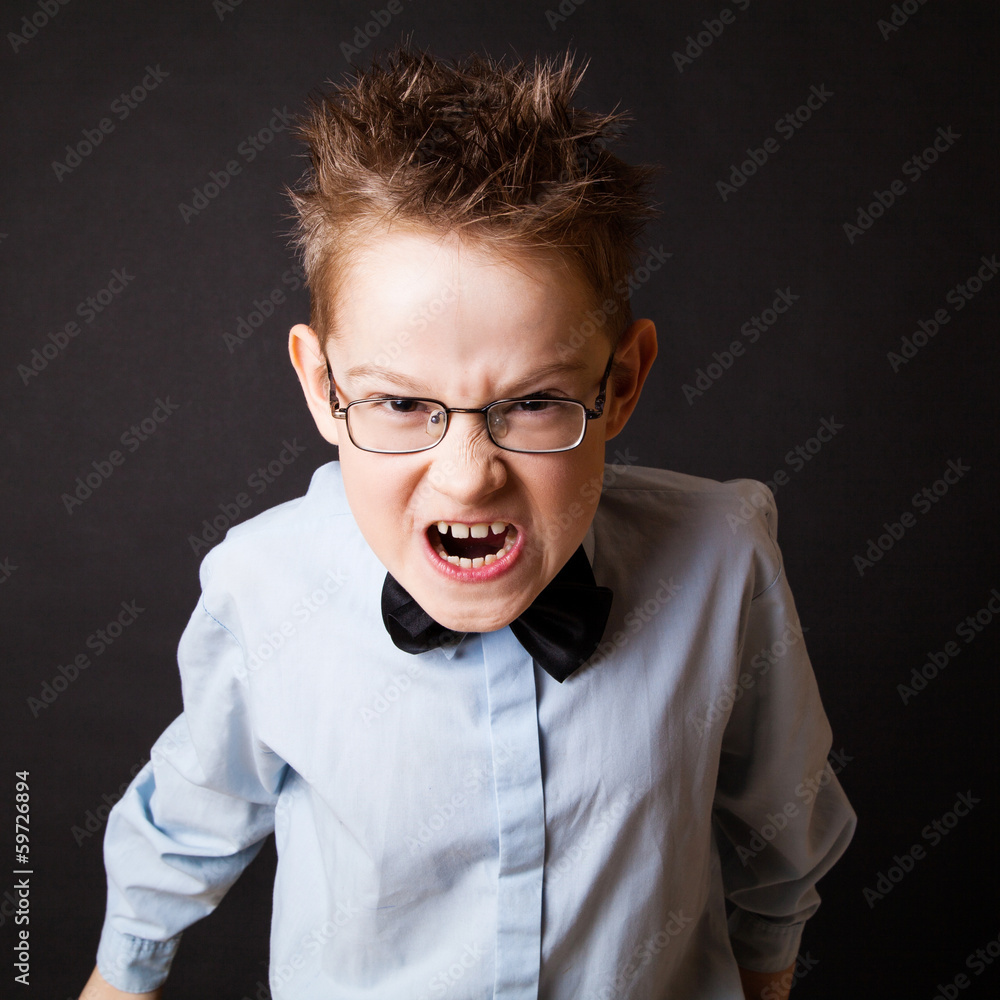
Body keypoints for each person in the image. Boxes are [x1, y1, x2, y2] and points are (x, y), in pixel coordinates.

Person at [80, 48, 855, 1000]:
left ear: (620, 384)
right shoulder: (264, 584)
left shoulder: (724, 559)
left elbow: (781, 831)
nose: (467, 479)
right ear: (322, 388)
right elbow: (179, 833)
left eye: (531, 404)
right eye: (402, 405)